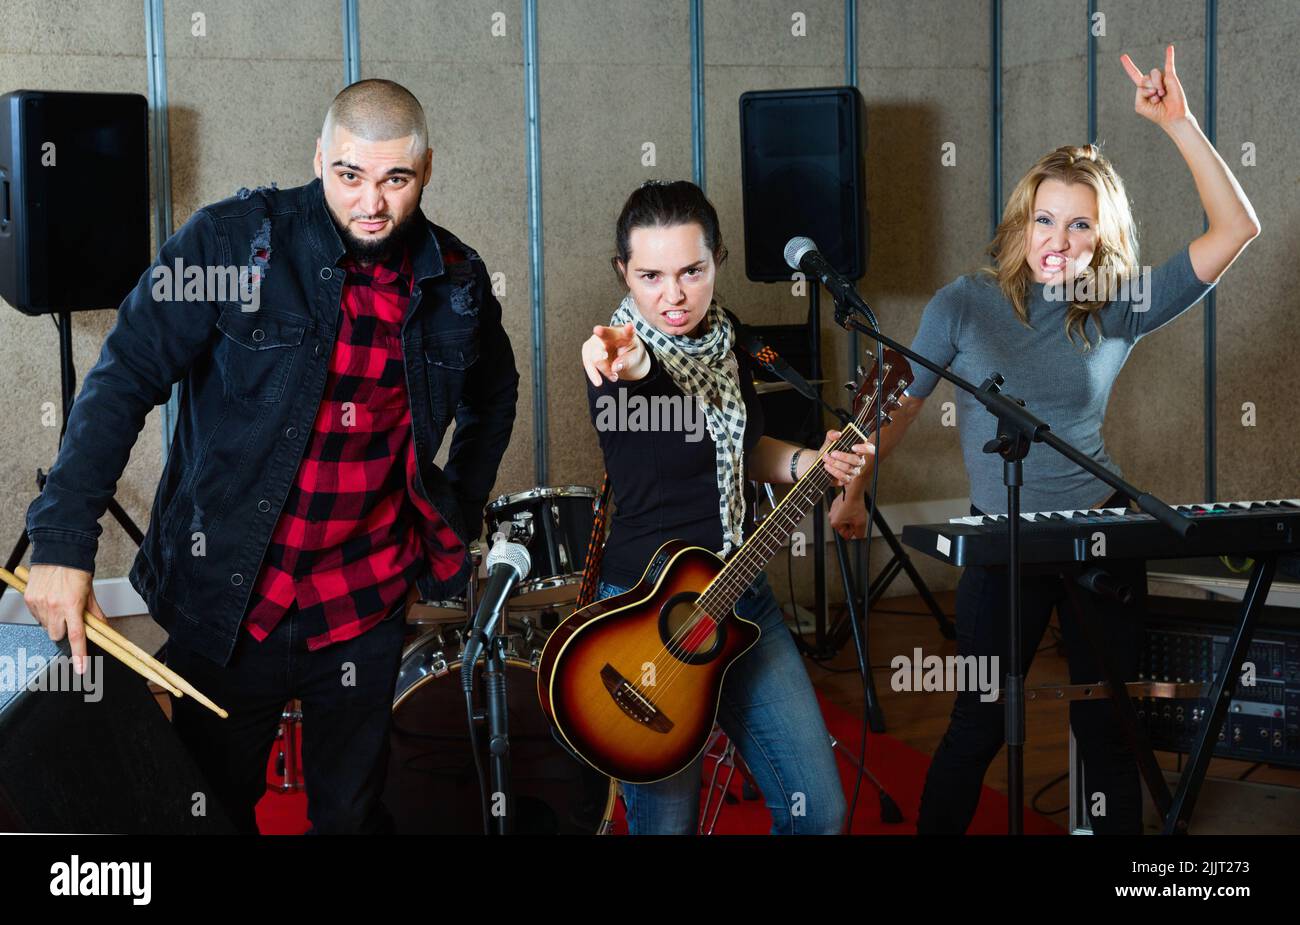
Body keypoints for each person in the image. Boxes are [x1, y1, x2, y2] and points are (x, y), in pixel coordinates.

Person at [23, 79, 519, 834]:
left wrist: (454, 504)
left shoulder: (456, 280)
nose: (371, 203)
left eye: (395, 178)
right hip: (228, 596)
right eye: (349, 175)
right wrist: (61, 538)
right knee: (203, 812)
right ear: (320, 158)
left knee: (348, 817)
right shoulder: (230, 243)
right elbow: (124, 376)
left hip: (363, 602)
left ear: (427, 170)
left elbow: (497, 391)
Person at [830, 44, 1259, 834]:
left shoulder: (1119, 302)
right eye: (1046, 218)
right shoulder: (964, 303)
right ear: (1024, 219)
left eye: (1081, 224)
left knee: (1108, 727)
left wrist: (1181, 125)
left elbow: (1237, 228)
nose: (1058, 239)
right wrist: (853, 487)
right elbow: (898, 409)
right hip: (1003, 542)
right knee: (980, 721)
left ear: (1105, 235)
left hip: (1101, 529)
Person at [581, 179, 868, 834]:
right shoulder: (619, 354)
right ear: (624, 272)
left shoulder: (729, 339)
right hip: (648, 613)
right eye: (650, 275)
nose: (673, 295)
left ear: (717, 261)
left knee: (821, 811)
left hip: (741, 593)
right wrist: (621, 363)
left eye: (692, 270)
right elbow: (645, 389)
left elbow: (734, 444)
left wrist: (807, 463)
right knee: (667, 825)